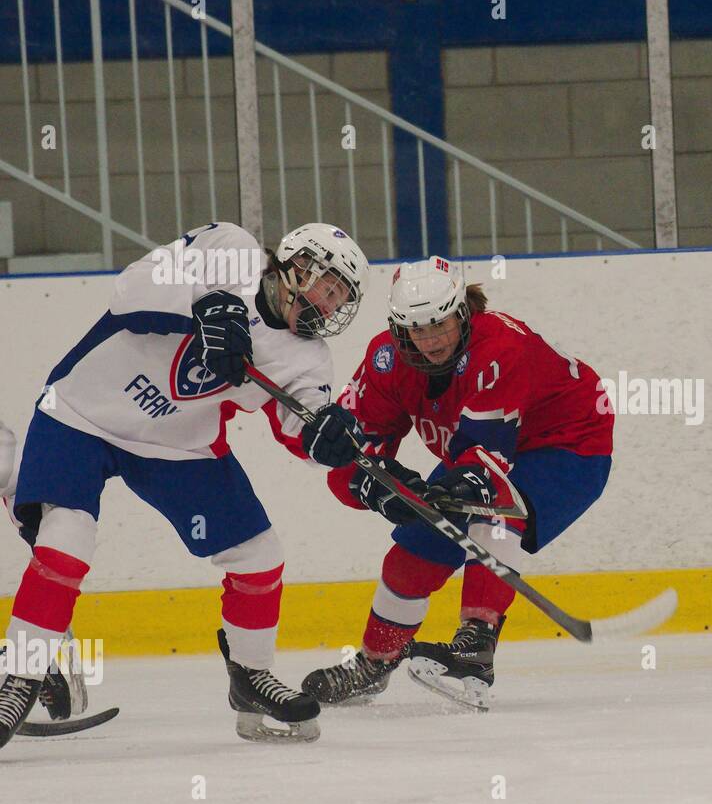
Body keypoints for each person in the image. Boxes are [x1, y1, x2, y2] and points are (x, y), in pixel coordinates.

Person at [0, 221, 370, 747]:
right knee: (66, 539)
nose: (330, 308)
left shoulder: (306, 356)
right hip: (83, 410)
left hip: (175, 443)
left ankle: (251, 676)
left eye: (339, 300)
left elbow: (301, 423)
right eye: (328, 288)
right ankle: (21, 676)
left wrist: (325, 436)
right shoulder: (232, 250)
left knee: (258, 554)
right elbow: (130, 289)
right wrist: (208, 305)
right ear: (299, 265)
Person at [301, 257, 613, 710]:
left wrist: (454, 486)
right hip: (480, 454)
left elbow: (485, 466)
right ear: (398, 328)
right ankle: (374, 664)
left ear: (463, 313)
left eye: (440, 325)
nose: (430, 341)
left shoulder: (501, 347)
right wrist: (375, 486)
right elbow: (349, 452)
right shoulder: (385, 360)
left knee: (491, 502)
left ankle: (476, 645)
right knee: (411, 555)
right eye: (416, 329)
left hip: (568, 444)